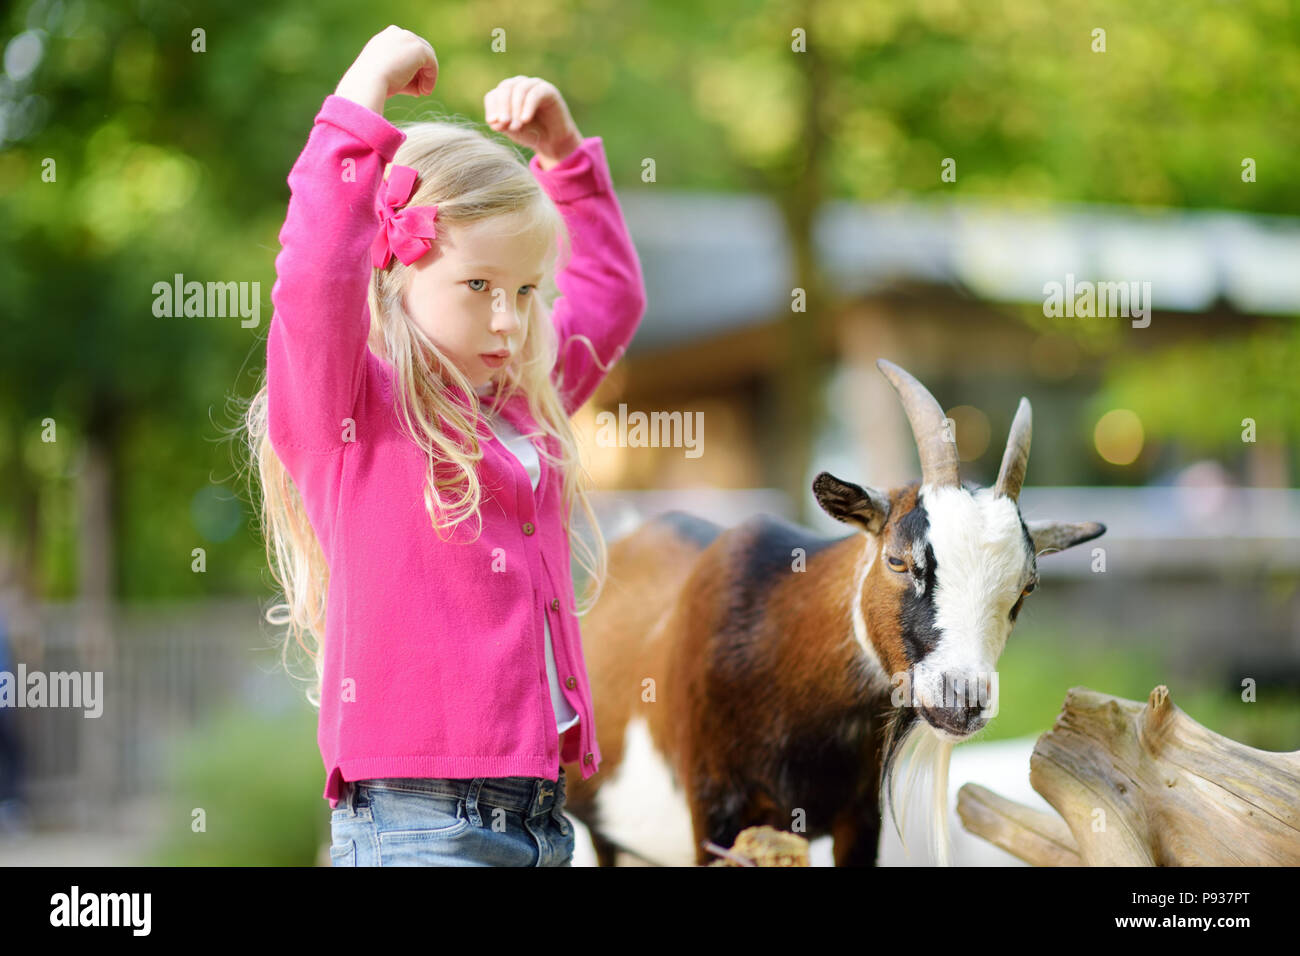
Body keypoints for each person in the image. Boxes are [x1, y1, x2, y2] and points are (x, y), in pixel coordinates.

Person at [244, 25, 646, 865]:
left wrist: (565, 157)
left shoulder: (523, 402)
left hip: (539, 816)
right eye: (477, 287)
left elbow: (608, 298)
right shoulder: (351, 412)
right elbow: (314, 273)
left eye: (527, 290)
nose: (509, 319)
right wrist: (363, 90)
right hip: (416, 821)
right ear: (395, 269)